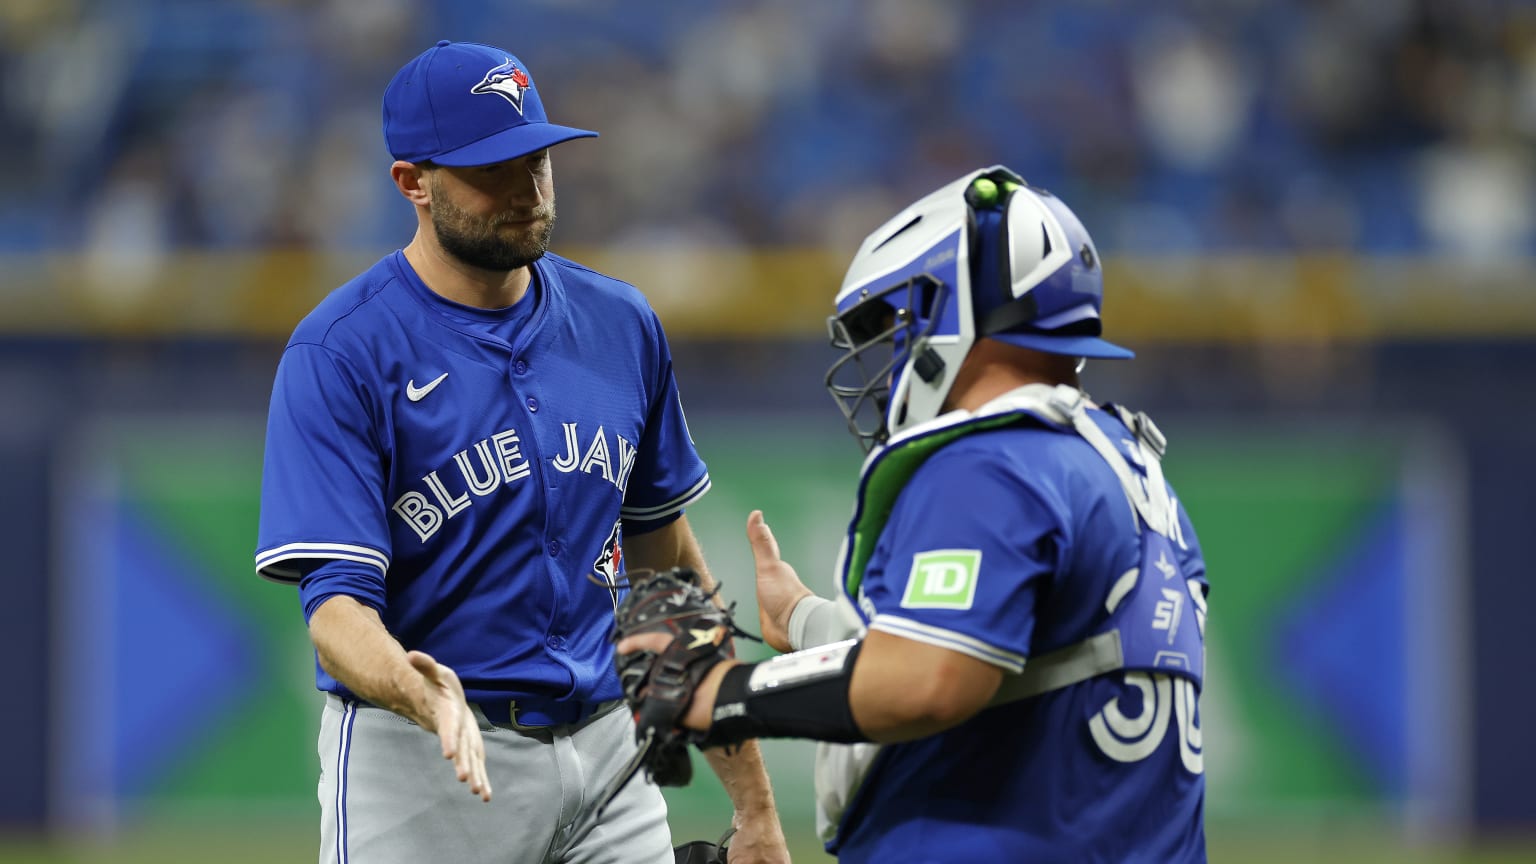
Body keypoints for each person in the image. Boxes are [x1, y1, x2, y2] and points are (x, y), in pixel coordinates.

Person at [254, 40, 788, 864]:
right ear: (413, 182)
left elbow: (667, 574)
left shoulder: (621, 324)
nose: (526, 190)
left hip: (612, 749)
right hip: (423, 760)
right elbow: (335, 609)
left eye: (536, 158)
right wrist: (413, 689)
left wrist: (755, 807)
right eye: (490, 169)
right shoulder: (342, 352)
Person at [617, 166, 1210, 862]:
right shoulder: (1116, 461)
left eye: (899, 320)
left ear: (952, 310)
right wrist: (808, 622)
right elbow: (1012, 655)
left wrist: (720, 693)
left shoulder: (993, 461)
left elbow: (929, 680)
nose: (891, 353)